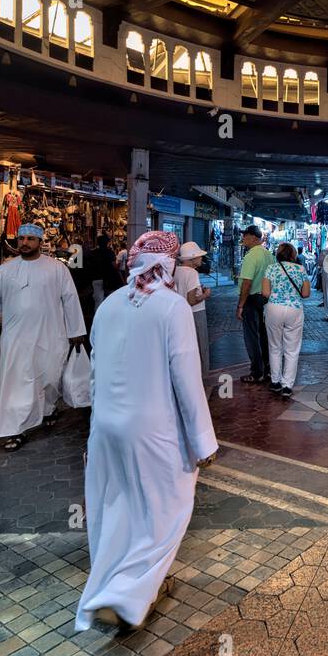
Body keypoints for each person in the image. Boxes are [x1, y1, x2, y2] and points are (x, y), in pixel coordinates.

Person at [76, 231, 218, 635]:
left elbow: (95, 372)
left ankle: (115, 587)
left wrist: (94, 430)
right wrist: (203, 442)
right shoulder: (172, 309)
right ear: (169, 264)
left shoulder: (108, 307)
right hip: (154, 432)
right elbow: (187, 380)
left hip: (106, 428)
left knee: (116, 508)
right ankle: (126, 596)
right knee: (163, 511)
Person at [0, 223, 87, 451]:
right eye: (21, 239)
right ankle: (15, 430)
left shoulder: (56, 269)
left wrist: (76, 332)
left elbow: (70, 299)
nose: (24, 243)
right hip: (15, 339)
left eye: (30, 239)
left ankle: (49, 407)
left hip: (51, 334)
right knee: (15, 384)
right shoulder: (5, 270)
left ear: (40, 243)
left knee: (51, 378)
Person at [262, 243, 311, 396]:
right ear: (293, 254)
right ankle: (287, 386)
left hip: (274, 308)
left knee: (274, 346)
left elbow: (265, 292)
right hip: (294, 310)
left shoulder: (271, 268)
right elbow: (306, 294)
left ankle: (275, 382)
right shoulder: (301, 269)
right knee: (292, 349)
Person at [236, 225, 273, 384]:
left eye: (245, 236)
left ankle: (257, 372)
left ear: (252, 237)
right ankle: (268, 370)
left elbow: (247, 283)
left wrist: (240, 305)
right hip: (266, 299)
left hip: (251, 300)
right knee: (264, 336)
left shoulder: (251, 256)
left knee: (252, 337)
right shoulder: (268, 255)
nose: (243, 239)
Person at [174, 241, 213, 374]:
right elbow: (191, 299)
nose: (201, 258)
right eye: (199, 256)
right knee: (201, 345)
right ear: (191, 259)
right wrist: (205, 295)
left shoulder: (177, 270)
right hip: (196, 313)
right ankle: (202, 377)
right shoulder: (192, 273)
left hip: (181, 314)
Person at [85, 234, 124, 311]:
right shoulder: (110, 252)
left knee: (98, 300)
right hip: (108, 278)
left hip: (96, 278)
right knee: (110, 299)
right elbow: (114, 266)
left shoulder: (93, 252)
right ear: (107, 242)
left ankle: (97, 317)